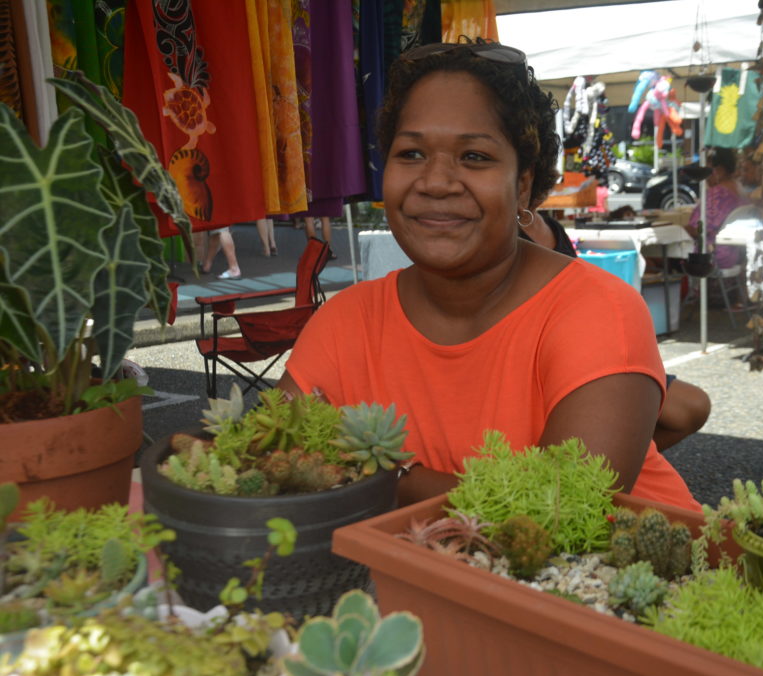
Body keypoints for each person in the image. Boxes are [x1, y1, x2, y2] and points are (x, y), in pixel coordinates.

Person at [278, 40, 703, 512]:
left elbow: (558, 513)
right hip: (409, 580)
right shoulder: (346, 321)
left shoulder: (597, 311)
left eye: (474, 157)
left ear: (523, 184)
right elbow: (271, 455)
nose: (435, 182)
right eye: (412, 153)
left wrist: (377, 475)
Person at [526, 211, 712, 452]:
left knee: (692, 406)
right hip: (549, 361)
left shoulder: (551, 228)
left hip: (591, 352)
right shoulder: (503, 236)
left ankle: (622, 462)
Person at [687, 147, 745, 270]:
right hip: (738, 253)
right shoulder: (739, 188)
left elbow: (698, 229)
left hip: (715, 254)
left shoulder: (717, 194)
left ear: (719, 170)